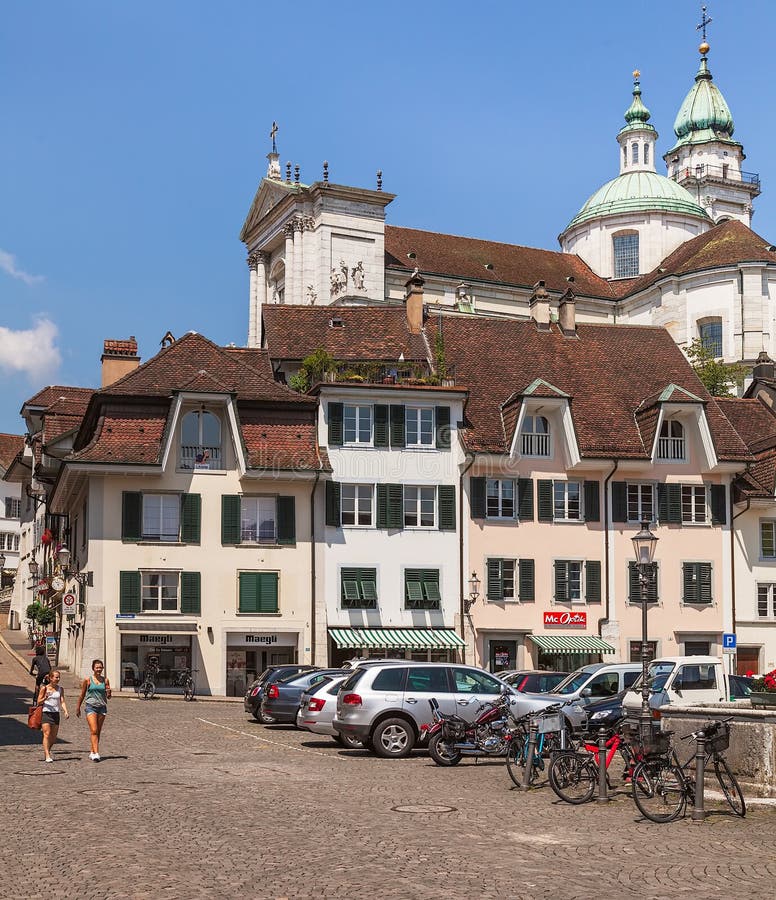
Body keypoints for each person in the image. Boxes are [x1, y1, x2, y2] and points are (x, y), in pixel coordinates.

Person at [76, 659, 111, 761]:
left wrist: (109, 692)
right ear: (93, 668)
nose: (99, 669)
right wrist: (78, 707)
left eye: (100, 667)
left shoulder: (105, 680)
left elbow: (108, 697)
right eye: (97, 667)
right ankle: (96, 753)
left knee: (98, 731)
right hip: (90, 706)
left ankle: (92, 751)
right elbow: (82, 694)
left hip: (102, 707)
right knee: (94, 730)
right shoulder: (87, 680)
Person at [39, 670, 69, 763]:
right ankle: (47, 754)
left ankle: (47, 749)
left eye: (59, 677)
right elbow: (39, 701)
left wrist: (65, 711)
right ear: (51, 678)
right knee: (47, 734)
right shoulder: (44, 688)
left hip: (56, 713)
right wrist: (45, 698)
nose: (58, 679)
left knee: (54, 737)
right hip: (46, 713)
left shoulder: (60, 689)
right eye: (56, 677)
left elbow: (62, 701)